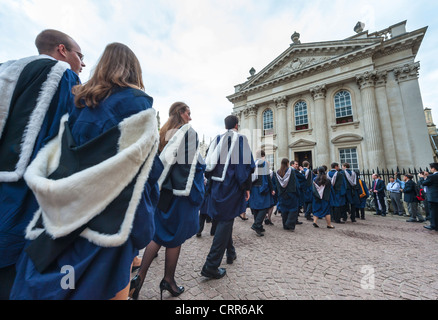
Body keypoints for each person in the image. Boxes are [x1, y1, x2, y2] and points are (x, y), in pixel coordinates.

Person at [10, 43, 160, 300]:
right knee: (110, 284)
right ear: (134, 70)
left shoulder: (79, 101)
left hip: (71, 208)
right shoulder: (137, 103)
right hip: (113, 213)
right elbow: (147, 170)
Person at [0, 29, 85, 299]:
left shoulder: (8, 70)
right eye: (80, 56)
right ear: (62, 50)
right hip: (26, 195)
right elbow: (69, 143)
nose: (82, 64)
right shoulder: (63, 76)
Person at [130, 102, 205, 300]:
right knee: (175, 237)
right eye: (189, 113)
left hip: (164, 193)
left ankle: (139, 279)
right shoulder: (188, 132)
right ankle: (168, 280)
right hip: (180, 196)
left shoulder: (165, 133)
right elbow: (187, 168)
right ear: (181, 113)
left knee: (159, 235)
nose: (191, 117)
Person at [201, 115, 255, 279]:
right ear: (237, 125)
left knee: (225, 218)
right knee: (225, 221)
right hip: (230, 186)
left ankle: (230, 253)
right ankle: (211, 265)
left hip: (216, 186)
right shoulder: (240, 139)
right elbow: (245, 165)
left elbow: (208, 162)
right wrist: (246, 187)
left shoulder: (217, 139)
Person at [249, 150, 275, 236]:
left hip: (253, 188)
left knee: (256, 208)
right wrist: (272, 188)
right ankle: (256, 225)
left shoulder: (253, 164)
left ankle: (259, 226)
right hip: (262, 188)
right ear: (263, 156)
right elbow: (267, 177)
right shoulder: (264, 163)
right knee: (264, 207)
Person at [272, 158, 301, 231]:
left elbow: (277, 184)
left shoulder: (278, 172)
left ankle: (285, 225)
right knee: (293, 209)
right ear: (288, 163)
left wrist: (279, 192)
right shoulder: (291, 171)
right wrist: (297, 192)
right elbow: (295, 183)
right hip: (291, 192)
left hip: (282, 194)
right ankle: (290, 224)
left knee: (284, 209)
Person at [421, 163, 438, 231]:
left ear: (433, 168)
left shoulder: (432, 176)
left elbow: (423, 183)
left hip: (433, 197)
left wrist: (424, 177)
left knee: (433, 212)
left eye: (431, 168)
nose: (430, 169)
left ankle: (433, 225)